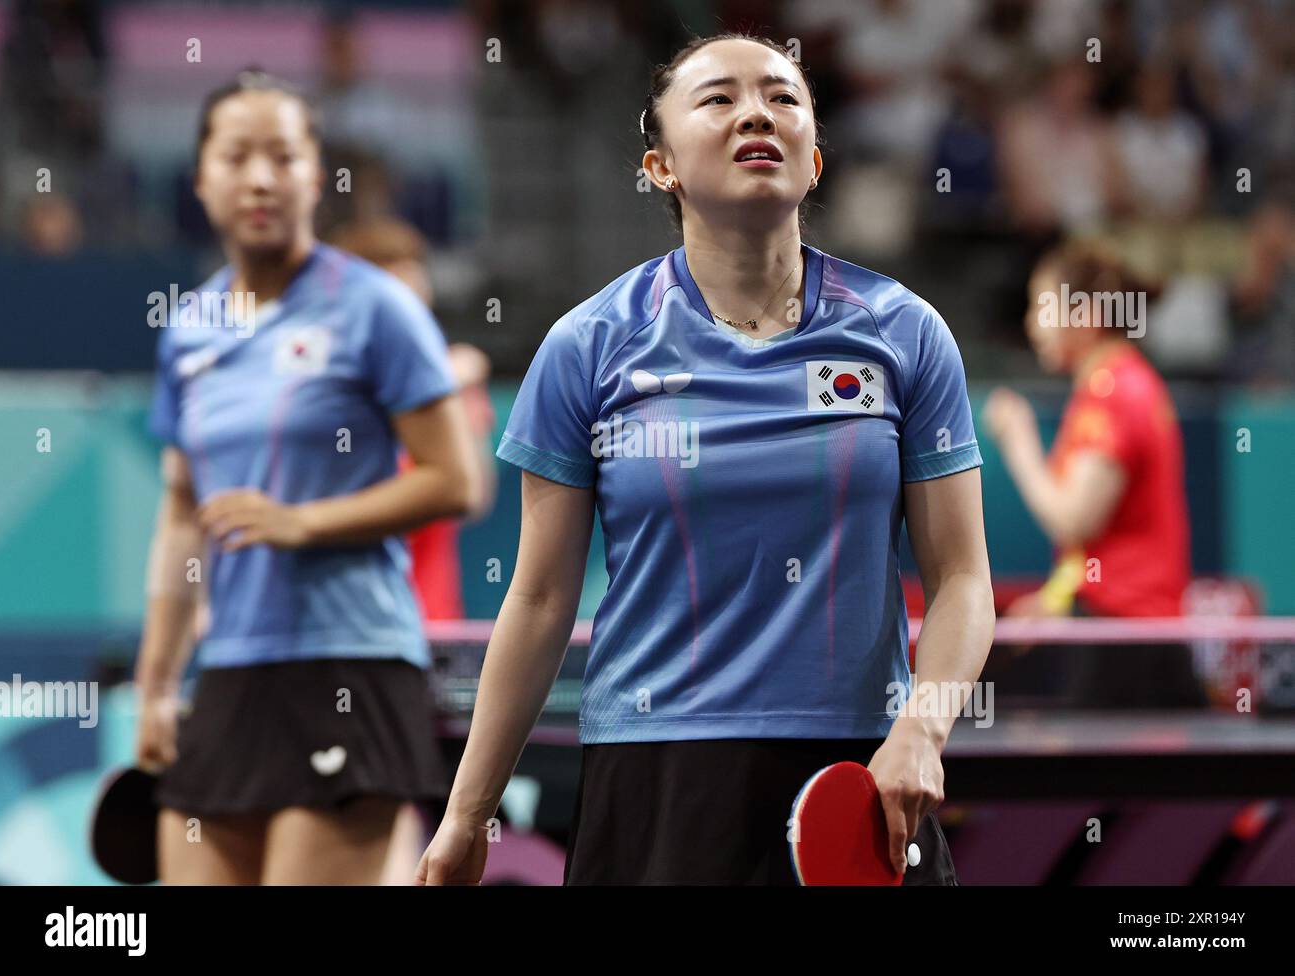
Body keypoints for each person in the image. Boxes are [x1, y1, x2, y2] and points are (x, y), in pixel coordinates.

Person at [416, 34, 994, 886]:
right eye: (719, 98)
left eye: (782, 97)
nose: (756, 111)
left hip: (861, 769)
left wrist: (923, 727)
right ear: (661, 166)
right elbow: (539, 599)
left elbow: (963, 581)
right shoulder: (590, 346)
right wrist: (467, 814)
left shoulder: (902, 331)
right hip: (658, 772)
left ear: (816, 161)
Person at [134, 70, 484, 884]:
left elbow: (454, 481)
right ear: (201, 178)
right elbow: (184, 514)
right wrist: (156, 684)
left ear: (315, 175)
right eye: (237, 156)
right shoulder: (189, 328)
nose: (261, 177)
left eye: (283, 156)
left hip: (350, 664)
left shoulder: (373, 308)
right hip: (229, 671)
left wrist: (305, 522)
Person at [326, 216, 498, 884]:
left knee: (412, 820)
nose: (413, 325)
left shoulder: (442, 392)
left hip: (432, 644)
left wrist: (451, 395)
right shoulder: (331, 399)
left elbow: (470, 495)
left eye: (419, 307)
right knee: (371, 819)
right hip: (348, 645)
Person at [983, 240, 1207, 708]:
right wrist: (1058, 598)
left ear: (1083, 315)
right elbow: (1096, 544)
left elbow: (1074, 520)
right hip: (1129, 631)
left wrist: (1020, 441)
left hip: (1128, 641)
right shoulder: (1118, 383)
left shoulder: (1114, 392)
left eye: (1040, 307)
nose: (1031, 324)